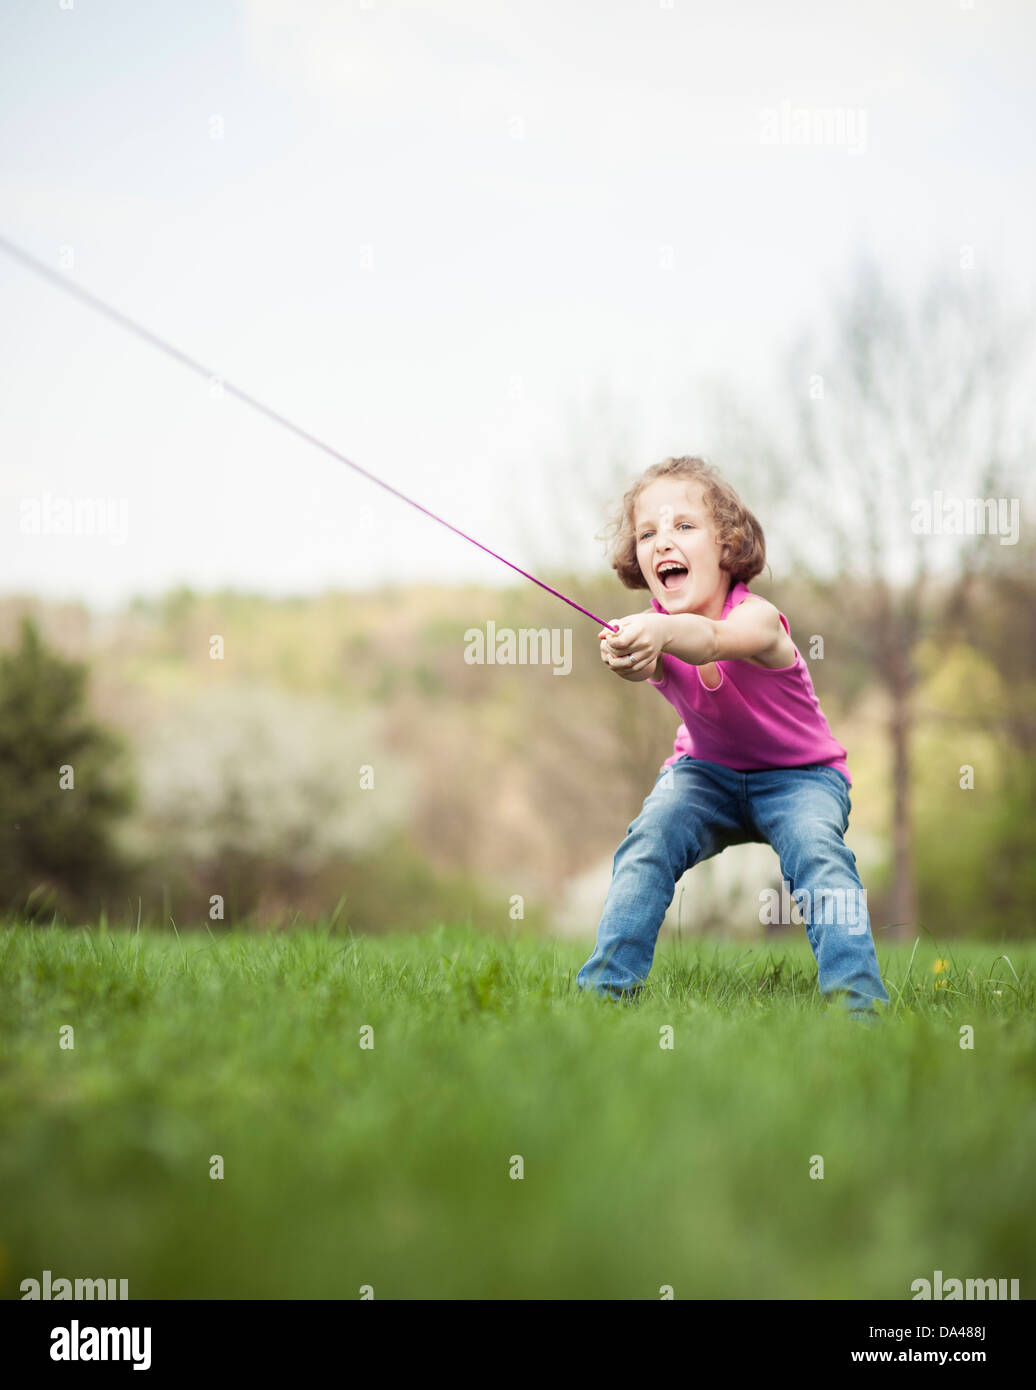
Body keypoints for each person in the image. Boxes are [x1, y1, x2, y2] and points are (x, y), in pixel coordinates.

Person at [576, 455, 889, 1019]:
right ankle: (604, 995)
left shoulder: (759, 620)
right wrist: (624, 652)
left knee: (821, 856)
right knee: (648, 841)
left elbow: (714, 640)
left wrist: (660, 632)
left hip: (802, 778)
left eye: (683, 526)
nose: (663, 541)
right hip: (705, 773)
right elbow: (647, 660)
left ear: (726, 545)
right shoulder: (658, 627)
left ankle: (859, 1006)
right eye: (648, 533)